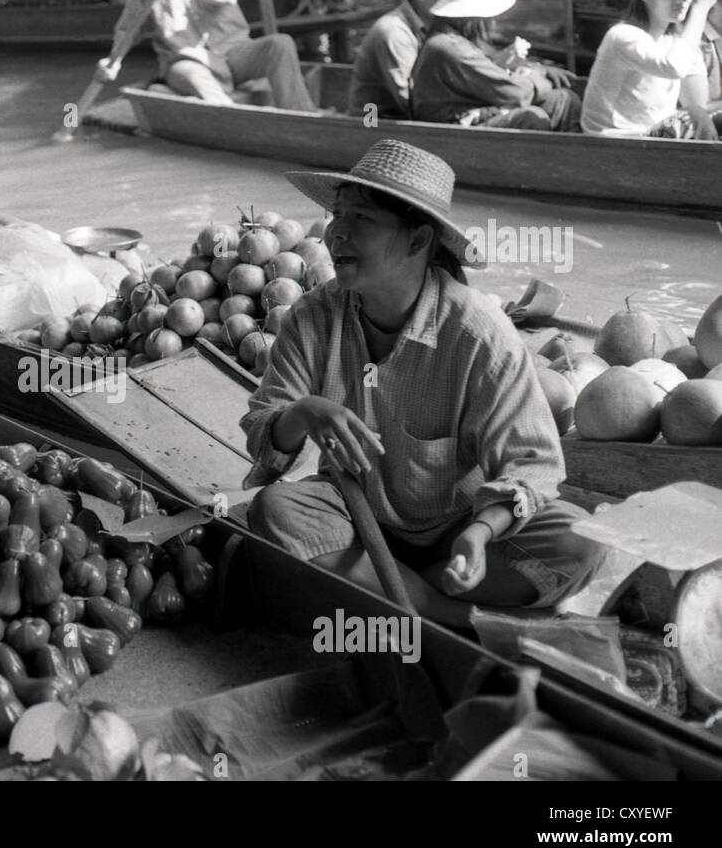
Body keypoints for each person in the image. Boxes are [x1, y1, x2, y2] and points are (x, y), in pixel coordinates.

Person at [240, 139, 617, 627]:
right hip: (357, 523)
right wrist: (302, 414)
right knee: (276, 510)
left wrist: (480, 532)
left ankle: (402, 596)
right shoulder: (312, 317)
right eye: (338, 215)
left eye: (361, 220)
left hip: (456, 532)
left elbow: (534, 465)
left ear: (418, 241)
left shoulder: (479, 333)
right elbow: (262, 438)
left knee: (581, 540)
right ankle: (443, 613)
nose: (336, 235)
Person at [98, 0, 317, 110]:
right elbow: (129, 29)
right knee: (195, 76)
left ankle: (301, 116)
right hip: (187, 60)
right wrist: (113, 61)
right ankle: (230, 113)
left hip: (233, 52)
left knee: (280, 44)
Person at [410, 0, 581, 130]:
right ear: (475, 18)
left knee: (562, 99)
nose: (493, 23)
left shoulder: (453, 40)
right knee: (532, 119)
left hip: (476, 112)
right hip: (452, 129)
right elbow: (516, 93)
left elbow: (492, 75)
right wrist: (535, 77)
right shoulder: (451, 48)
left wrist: (522, 71)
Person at [582, 0, 719, 139]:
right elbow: (674, 67)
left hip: (651, 139)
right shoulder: (622, 36)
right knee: (695, 117)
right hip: (617, 141)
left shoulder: (677, 42)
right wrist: (699, 10)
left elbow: (697, 103)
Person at [348, 0, 446, 118]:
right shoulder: (393, 32)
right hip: (372, 124)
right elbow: (410, 99)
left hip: (398, 118)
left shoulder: (430, 24)